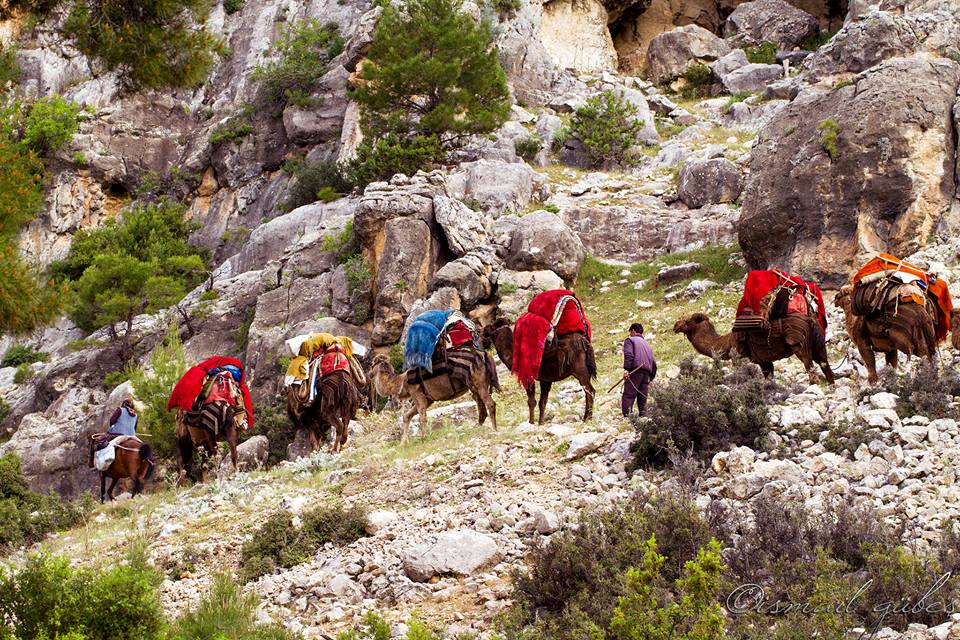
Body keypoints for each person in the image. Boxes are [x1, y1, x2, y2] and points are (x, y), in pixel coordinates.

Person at [622, 323, 656, 417]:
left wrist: (626, 370)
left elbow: (629, 355)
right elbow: (653, 362)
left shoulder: (630, 340)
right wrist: (651, 376)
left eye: (630, 332)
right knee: (642, 396)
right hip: (646, 373)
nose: (629, 334)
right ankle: (643, 417)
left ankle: (627, 417)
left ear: (633, 331)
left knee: (628, 395)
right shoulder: (647, 344)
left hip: (635, 370)